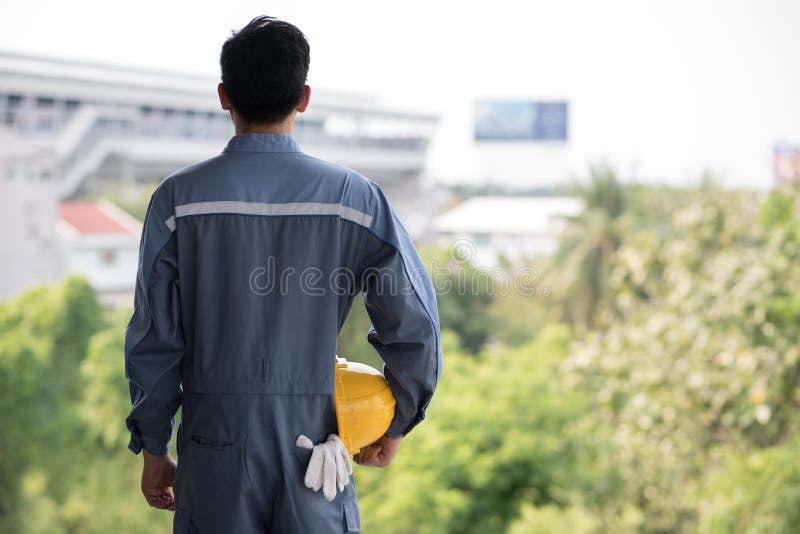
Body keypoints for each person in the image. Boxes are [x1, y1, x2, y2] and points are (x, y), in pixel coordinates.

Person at [123, 15, 442, 534]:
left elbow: (155, 342)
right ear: (305, 97)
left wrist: (154, 447)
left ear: (224, 96)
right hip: (318, 450)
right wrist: (396, 418)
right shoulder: (355, 201)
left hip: (213, 453)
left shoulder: (176, 203)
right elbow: (415, 327)